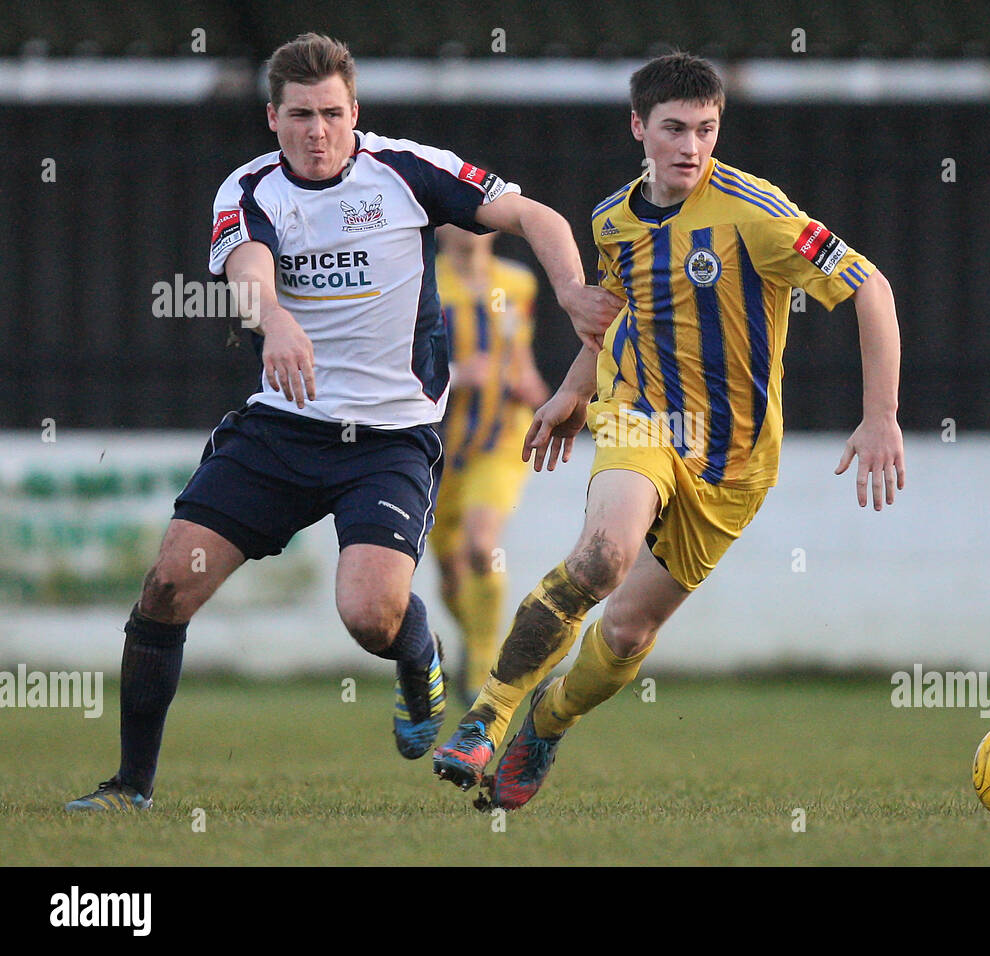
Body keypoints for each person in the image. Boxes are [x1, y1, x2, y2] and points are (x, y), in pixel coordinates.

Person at [65, 32, 617, 811]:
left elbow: (536, 216)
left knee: (368, 615)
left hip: (390, 441)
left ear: (354, 112)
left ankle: (417, 653)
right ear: (273, 118)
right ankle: (130, 787)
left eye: (331, 114)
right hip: (281, 429)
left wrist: (567, 290)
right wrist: (274, 321)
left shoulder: (407, 170)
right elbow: (248, 271)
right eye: (300, 115)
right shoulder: (250, 189)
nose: (317, 132)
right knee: (166, 586)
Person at [431, 52, 905, 810]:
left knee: (625, 634)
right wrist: (573, 392)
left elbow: (870, 287)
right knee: (602, 557)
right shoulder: (611, 220)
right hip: (641, 417)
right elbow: (617, 315)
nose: (691, 146)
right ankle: (486, 715)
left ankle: (547, 722)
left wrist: (880, 416)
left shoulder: (758, 213)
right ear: (638, 128)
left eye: (706, 130)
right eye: (675, 129)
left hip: (735, 461)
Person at [428, 225, 549, 703]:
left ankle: (482, 670)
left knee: (481, 545)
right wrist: (457, 375)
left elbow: (519, 352)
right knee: (451, 573)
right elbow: (399, 361)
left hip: (502, 436)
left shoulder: (517, 283)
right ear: (439, 225)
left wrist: (533, 386)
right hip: (439, 446)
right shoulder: (422, 282)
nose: (469, 225)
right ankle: (484, 644)